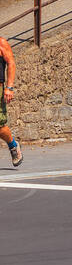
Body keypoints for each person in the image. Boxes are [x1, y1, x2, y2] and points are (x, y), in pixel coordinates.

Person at [0, 35, 21, 167]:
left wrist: (9, 87)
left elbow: (11, 63)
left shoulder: (1, 43)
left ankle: (13, 145)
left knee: (0, 127)